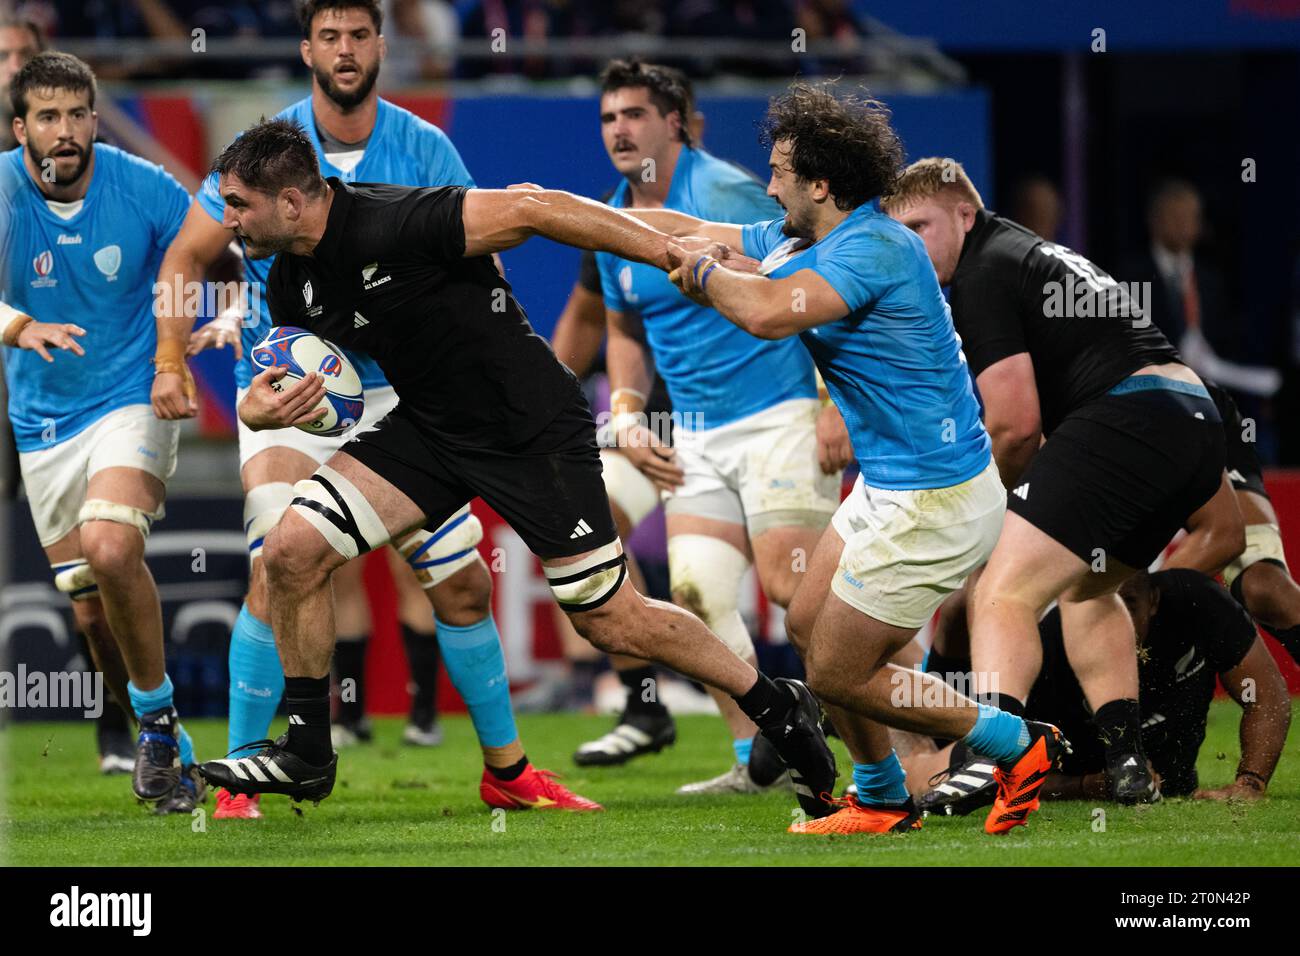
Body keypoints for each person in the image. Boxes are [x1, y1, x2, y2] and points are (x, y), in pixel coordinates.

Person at [194, 118, 838, 822]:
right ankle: (309, 750)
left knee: (611, 620)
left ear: (290, 203)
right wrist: (262, 412)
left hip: (531, 431)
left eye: (237, 204)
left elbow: (536, 206)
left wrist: (671, 251)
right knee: (291, 549)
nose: (227, 220)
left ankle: (775, 703)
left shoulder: (395, 218)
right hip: (432, 429)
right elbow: (314, 386)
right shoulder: (291, 281)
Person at [156, 0, 598, 818]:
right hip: (290, 390)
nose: (346, 49)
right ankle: (244, 779)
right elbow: (189, 251)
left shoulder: (425, 146)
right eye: (331, 35)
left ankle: (508, 769)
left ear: (381, 45)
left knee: (463, 585)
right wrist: (169, 358)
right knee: (273, 568)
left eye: (360, 34)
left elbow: (481, 255)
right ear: (307, 48)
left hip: (398, 392)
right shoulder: (270, 145)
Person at [631, 81, 1065, 836]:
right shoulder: (809, 236)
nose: (768, 186)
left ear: (821, 185)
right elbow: (698, 226)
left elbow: (765, 312)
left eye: (778, 173)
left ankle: (1016, 743)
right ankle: (882, 797)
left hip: (937, 498)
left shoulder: (873, 246)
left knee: (836, 673)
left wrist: (700, 274)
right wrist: (592, 222)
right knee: (804, 622)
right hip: (892, 487)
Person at [883, 157, 1225, 807]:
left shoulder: (982, 270)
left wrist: (984, 507)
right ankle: (1128, 763)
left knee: (1000, 594)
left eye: (920, 226)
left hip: (1128, 415)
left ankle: (993, 762)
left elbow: (1014, 427)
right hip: (1196, 421)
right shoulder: (1030, 253)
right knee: (1090, 590)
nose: (912, 247)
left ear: (964, 214)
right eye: (900, 234)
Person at [575, 60, 846, 796]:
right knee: (696, 593)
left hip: (779, 414)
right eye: (608, 118)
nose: (620, 130)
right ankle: (757, 758)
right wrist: (625, 412)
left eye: (635, 115)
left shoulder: (726, 193)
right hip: (694, 433)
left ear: (676, 124)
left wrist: (831, 400)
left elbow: (818, 285)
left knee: (795, 589)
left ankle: (910, 715)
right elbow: (625, 327)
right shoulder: (611, 219)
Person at [0, 51, 199, 812]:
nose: (66, 132)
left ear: (93, 117)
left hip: (130, 394)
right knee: (90, 609)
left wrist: (194, 335)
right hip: (44, 421)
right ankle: (161, 732)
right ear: (22, 128)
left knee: (113, 546)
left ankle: (151, 728)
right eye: (47, 117)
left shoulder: (141, 184)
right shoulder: (6, 190)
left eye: (78, 115)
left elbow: (205, 251)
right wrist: (20, 327)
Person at [915, 570, 1291, 812]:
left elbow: (1267, 695)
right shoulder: (1049, 648)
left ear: (1154, 600)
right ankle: (887, 716)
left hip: (1175, 782)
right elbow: (1013, 771)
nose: (1119, 626)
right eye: (1103, 615)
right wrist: (1085, 786)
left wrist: (1250, 783)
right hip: (1026, 747)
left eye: (1128, 606)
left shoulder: (1198, 603)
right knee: (916, 776)